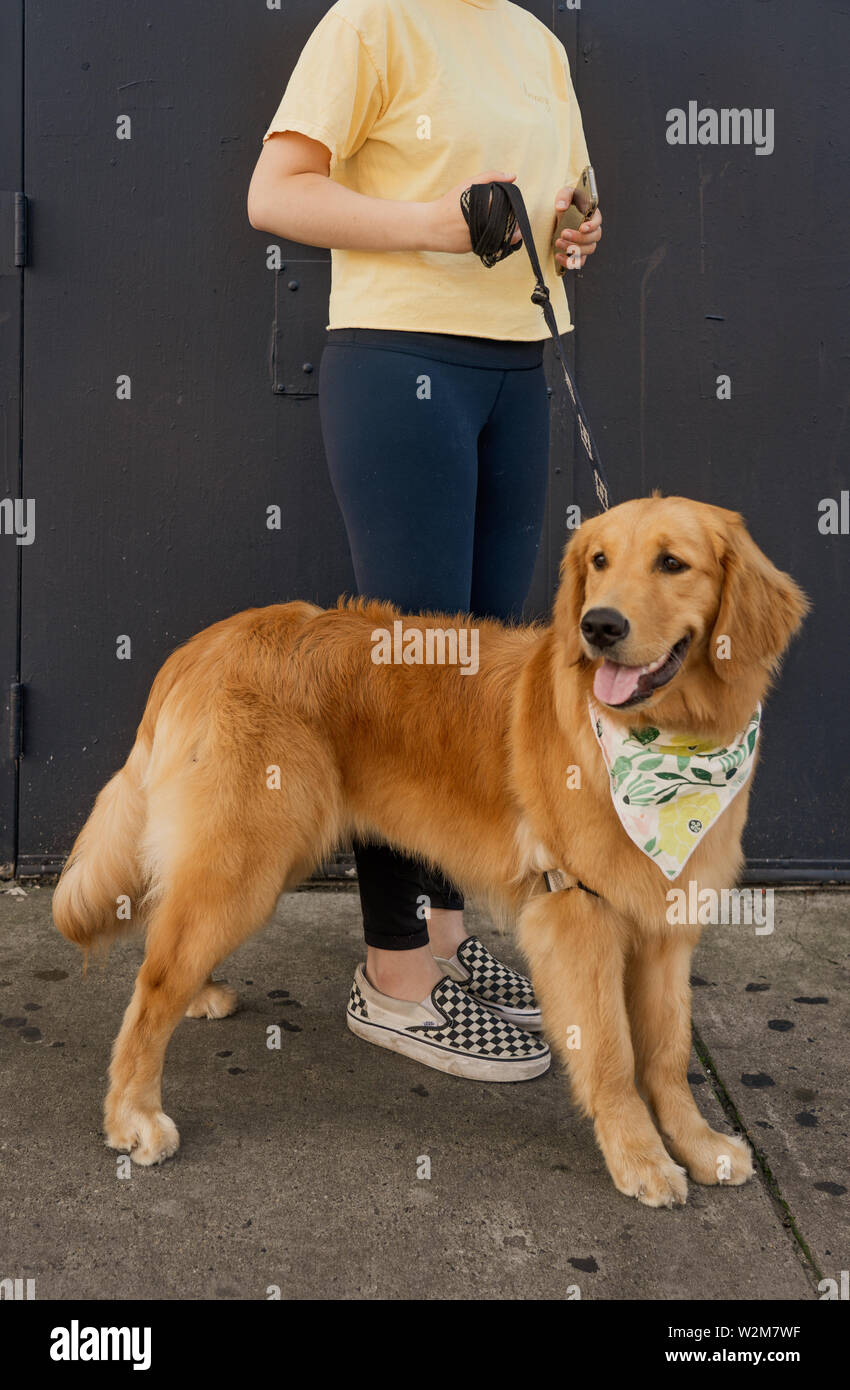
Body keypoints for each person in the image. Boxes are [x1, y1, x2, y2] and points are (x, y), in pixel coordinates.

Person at [247, 0, 602, 1082]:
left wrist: (575, 227)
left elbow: (570, 198)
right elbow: (275, 194)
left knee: (491, 668)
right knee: (412, 670)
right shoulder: (370, 22)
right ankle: (392, 973)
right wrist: (440, 225)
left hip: (517, 363)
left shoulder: (535, 37)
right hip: (403, 361)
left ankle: (445, 942)